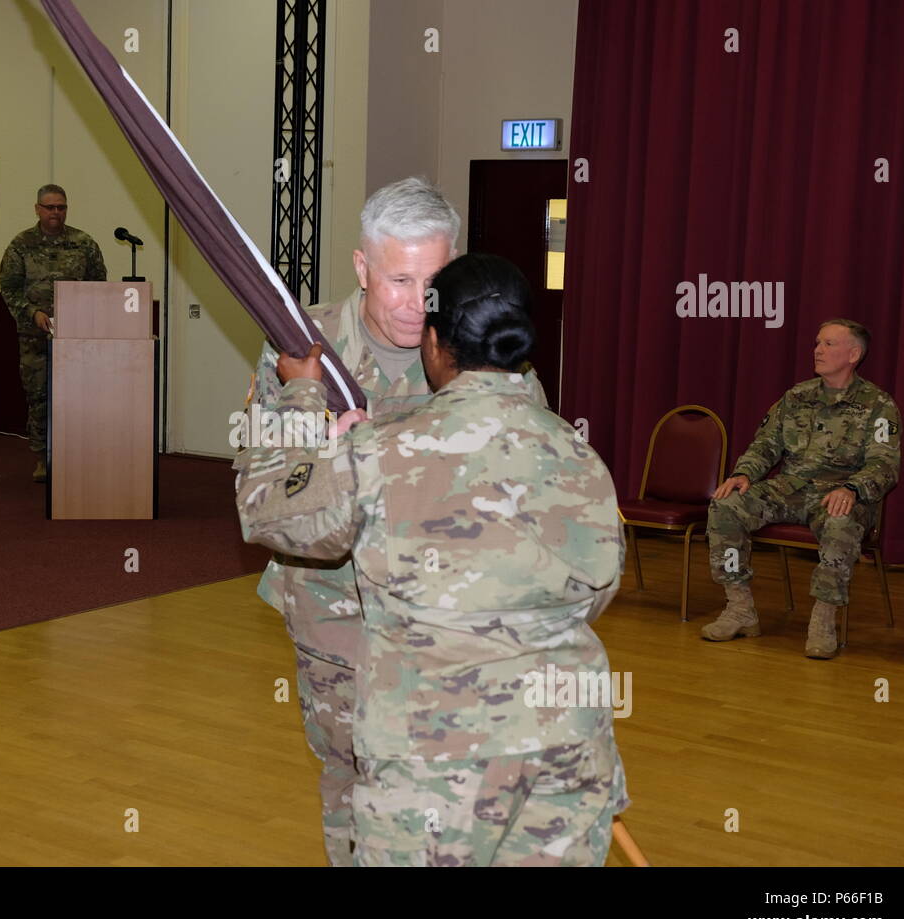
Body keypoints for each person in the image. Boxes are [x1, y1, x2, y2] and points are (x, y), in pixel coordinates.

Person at [236, 253, 626, 866]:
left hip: (436, 764)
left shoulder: (382, 454)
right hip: (567, 751)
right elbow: (597, 590)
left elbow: (267, 511)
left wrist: (303, 399)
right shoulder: (580, 456)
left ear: (436, 344)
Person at [701, 319, 901, 659]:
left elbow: (885, 465)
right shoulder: (796, 397)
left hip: (837, 494)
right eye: (817, 343)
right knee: (726, 505)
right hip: (789, 488)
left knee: (840, 522)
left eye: (828, 344)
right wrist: (743, 473)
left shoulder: (878, 406)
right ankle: (739, 608)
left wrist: (852, 489)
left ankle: (824, 620)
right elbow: (765, 444)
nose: (818, 350)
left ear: (853, 354)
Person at [0, 184, 107, 481]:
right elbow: (9, 287)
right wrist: (31, 312)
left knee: (78, 397)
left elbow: (99, 285)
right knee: (40, 398)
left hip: (77, 337)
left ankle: (77, 455)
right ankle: (43, 459)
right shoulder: (21, 245)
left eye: (61, 207)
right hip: (35, 337)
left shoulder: (83, 243)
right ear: (37, 209)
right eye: (49, 207)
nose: (55, 213)